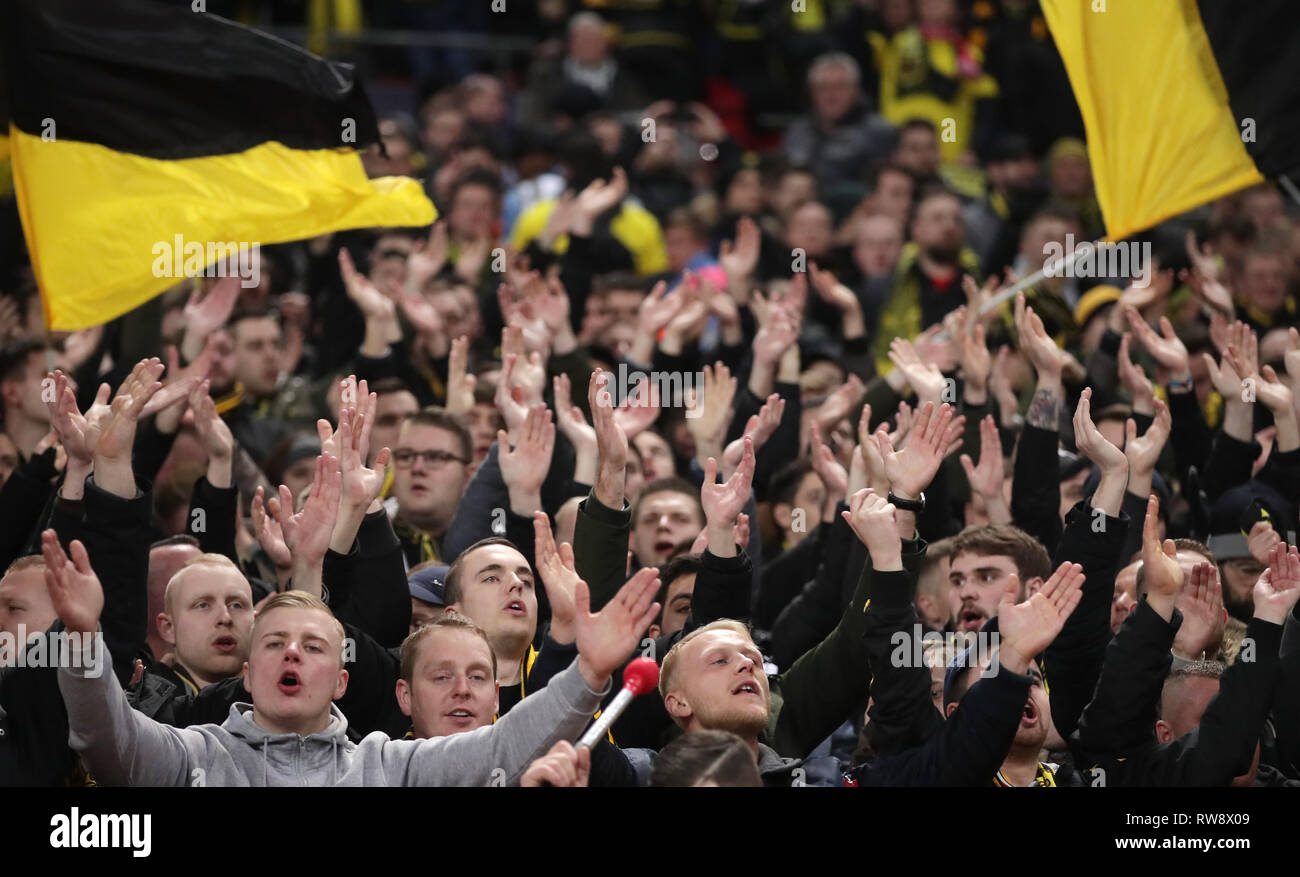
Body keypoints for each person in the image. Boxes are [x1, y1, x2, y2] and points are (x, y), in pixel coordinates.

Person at [48, 533, 663, 787]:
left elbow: (506, 746)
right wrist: (80, 639)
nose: (292, 652)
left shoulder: (388, 768)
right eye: (274, 643)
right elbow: (107, 742)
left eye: (314, 646)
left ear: (341, 681)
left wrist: (588, 673)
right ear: (248, 672)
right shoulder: (195, 757)